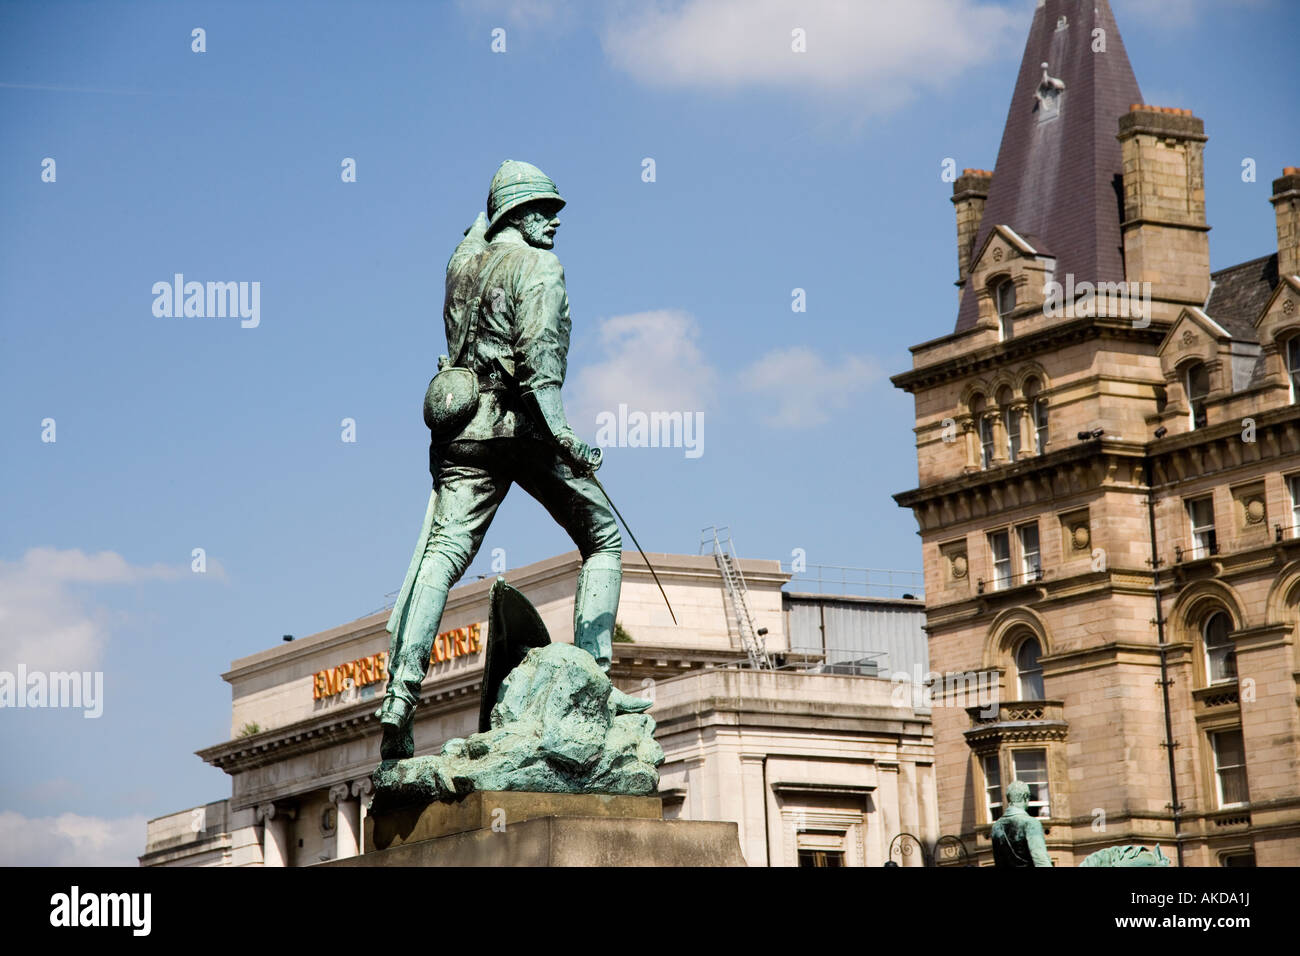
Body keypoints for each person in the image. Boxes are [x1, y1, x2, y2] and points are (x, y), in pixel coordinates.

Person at [376, 160, 647, 761]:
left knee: (440, 556)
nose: (553, 220)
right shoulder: (540, 267)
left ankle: (400, 693)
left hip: (458, 427)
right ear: (516, 214)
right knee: (603, 538)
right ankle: (596, 684)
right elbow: (540, 374)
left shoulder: (461, 261)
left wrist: (492, 214)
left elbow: (472, 231)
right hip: (518, 426)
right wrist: (572, 441)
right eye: (541, 209)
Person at [991, 780, 1053, 867]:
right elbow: (1040, 860)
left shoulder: (996, 826)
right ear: (1025, 796)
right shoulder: (1031, 823)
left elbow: (998, 861)